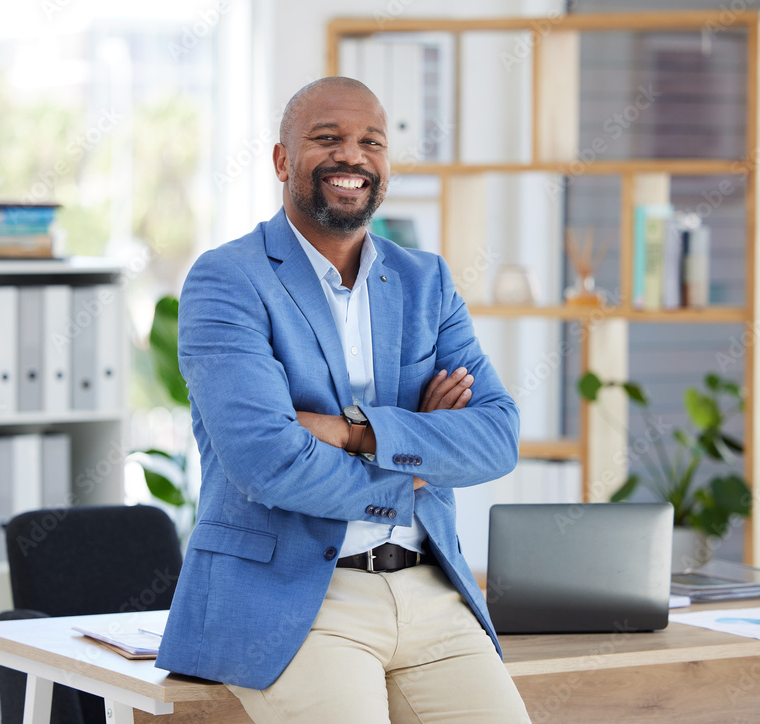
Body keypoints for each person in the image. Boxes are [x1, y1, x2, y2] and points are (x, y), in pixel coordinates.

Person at [156, 76, 531, 723]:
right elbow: (266, 461)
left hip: (430, 589)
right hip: (295, 602)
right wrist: (416, 462)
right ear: (282, 159)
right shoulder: (229, 280)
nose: (351, 157)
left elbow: (497, 437)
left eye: (370, 142)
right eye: (326, 139)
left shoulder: (425, 282)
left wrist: (355, 432)